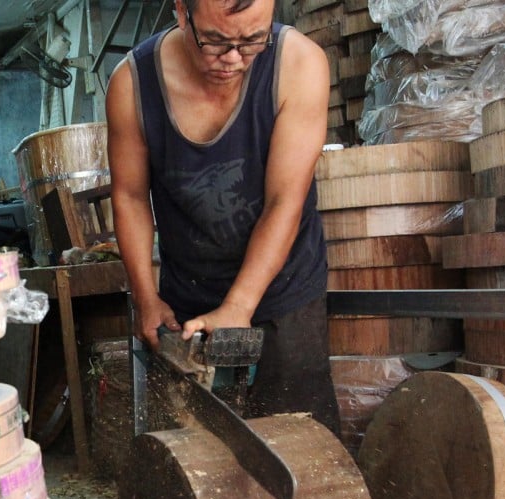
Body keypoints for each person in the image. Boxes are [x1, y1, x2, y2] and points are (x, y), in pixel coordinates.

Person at [107, 0, 340, 434]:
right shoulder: (132, 85)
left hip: (283, 288)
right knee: (192, 452)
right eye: (215, 41)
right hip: (187, 297)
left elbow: (283, 202)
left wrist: (239, 305)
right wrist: (146, 298)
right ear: (182, 11)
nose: (233, 59)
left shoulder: (299, 65)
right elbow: (131, 197)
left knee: (300, 447)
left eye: (252, 40)